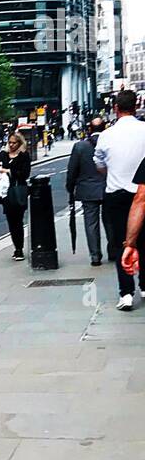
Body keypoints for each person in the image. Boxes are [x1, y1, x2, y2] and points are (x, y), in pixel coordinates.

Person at [94, 89, 145, 309]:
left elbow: (99, 165)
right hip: (141, 193)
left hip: (116, 195)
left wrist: (114, 173)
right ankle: (144, 286)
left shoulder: (106, 135)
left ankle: (126, 293)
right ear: (136, 106)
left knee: (119, 243)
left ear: (115, 108)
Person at [66, 118, 106, 266]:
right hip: (109, 187)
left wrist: (70, 187)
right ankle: (114, 250)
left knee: (91, 223)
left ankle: (95, 256)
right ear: (105, 128)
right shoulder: (110, 144)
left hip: (88, 190)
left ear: (89, 129)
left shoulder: (80, 147)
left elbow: (72, 171)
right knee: (110, 221)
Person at [0, 131, 31, 260]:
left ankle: (19, 249)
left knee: (18, 221)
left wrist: (8, 171)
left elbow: (25, 174)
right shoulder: (3, 154)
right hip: (6, 193)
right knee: (11, 222)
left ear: (20, 143)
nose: (12, 145)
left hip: (18, 190)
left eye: (14, 143)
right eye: (10, 142)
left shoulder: (24, 156)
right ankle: (16, 247)